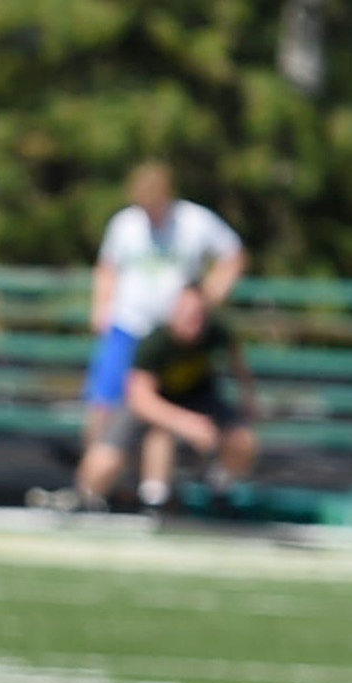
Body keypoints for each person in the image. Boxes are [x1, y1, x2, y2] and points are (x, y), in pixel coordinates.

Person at [81, 162, 247, 484]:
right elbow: (107, 269)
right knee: (103, 407)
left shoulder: (195, 221)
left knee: (163, 414)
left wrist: (207, 299)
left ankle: (154, 490)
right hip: (129, 327)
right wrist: (101, 308)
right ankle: (94, 484)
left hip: (174, 337)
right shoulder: (126, 224)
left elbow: (234, 256)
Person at [100, 283, 260, 509]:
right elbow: (141, 399)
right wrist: (185, 423)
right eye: (187, 314)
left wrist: (249, 401)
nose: (193, 321)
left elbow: (240, 366)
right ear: (175, 312)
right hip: (157, 404)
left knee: (242, 439)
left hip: (198, 399)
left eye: (198, 314)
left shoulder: (216, 333)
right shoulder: (155, 342)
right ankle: (147, 499)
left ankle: (221, 486)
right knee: (119, 454)